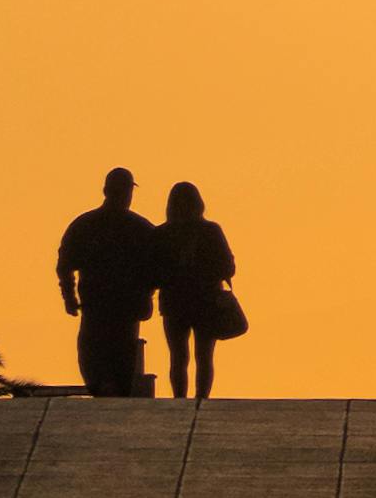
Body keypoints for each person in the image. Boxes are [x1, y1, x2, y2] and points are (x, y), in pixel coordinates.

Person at [55, 167, 162, 397]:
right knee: (112, 361)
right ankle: (109, 396)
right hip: (115, 307)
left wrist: (70, 297)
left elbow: (65, 264)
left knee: (99, 359)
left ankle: (106, 395)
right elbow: (159, 264)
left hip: (106, 306)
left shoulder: (86, 224)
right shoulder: (140, 228)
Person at [152, 178, 240, 401]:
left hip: (174, 302)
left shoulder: (161, 234)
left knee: (178, 356)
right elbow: (228, 266)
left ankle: (179, 399)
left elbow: (151, 270)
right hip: (206, 300)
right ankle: (202, 399)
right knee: (204, 356)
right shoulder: (211, 230)